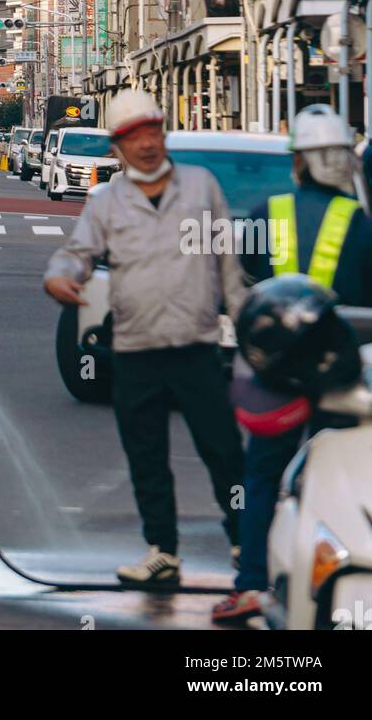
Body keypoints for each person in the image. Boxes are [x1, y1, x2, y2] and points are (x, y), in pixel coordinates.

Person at [44, 89, 246, 590]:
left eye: (153, 132)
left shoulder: (201, 187)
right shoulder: (108, 201)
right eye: (134, 138)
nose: (147, 145)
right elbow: (78, 252)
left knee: (224, 451)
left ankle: (248, 542)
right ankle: (162, 551)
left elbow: (229, 269)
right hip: (135, 351)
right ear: (117, 147)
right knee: (146, 455)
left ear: (163, 133)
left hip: (196, 346)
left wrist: (247, 329)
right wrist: (59, 275)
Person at [213, 104, 372, 624]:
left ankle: (254, 583)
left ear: (297, 162)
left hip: (277, 373)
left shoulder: (265, 213)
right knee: (341, 476)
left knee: (263, 475)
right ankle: (335, 585)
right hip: (343, 374)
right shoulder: (362, 223)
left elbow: (242, 290)